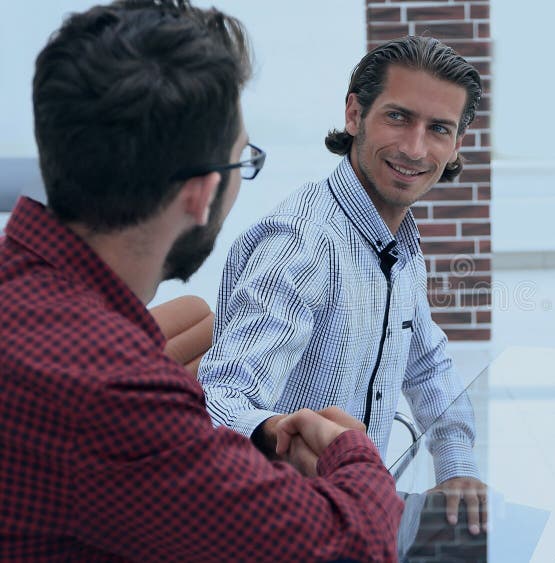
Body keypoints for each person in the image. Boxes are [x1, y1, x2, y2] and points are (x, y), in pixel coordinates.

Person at [0, 2, 402, 561]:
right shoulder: (113, 394)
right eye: (244, 162)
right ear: (201, 193)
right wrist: (353, 452)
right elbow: (355, 546)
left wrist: (250, 438)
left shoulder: (22, 278)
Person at [199, 35, 488, 535]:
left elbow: (427, 362)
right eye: (398, 117)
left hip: (354, 511)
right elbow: (218, 400)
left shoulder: (396, 238)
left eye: (438, 128)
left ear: (456, 144)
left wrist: (457, 466)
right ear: (355, 114)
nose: (415, 149)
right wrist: (278, 437)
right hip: (285, 525)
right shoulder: (304, 243)